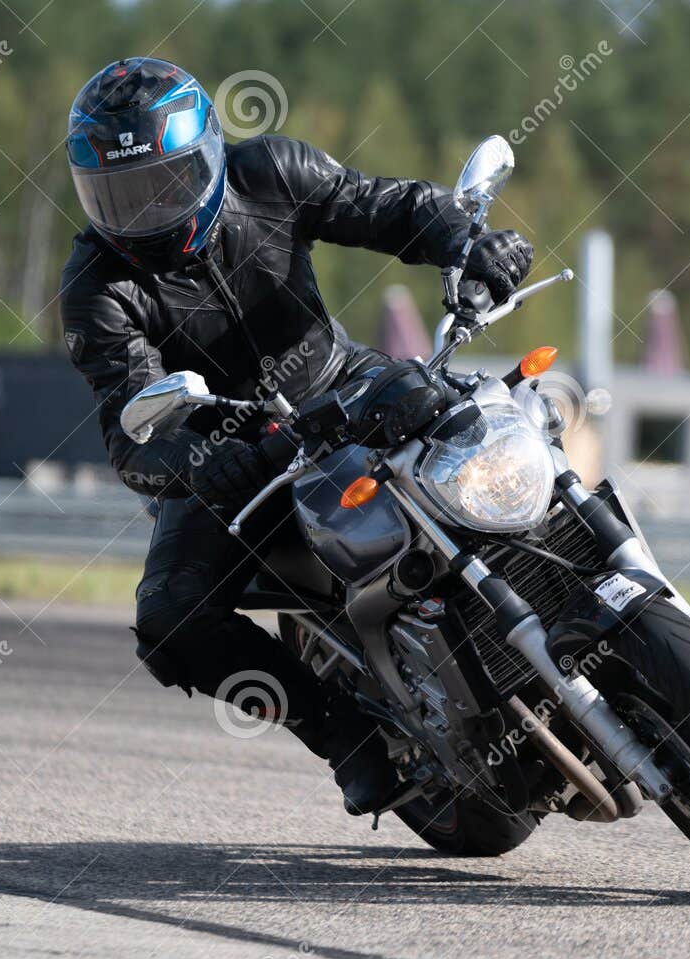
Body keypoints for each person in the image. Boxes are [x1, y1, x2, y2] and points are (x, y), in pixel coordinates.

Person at [59, 58, 532, 814]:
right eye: (122, 194)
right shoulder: (97, 287)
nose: (147, 210)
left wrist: (465, 242)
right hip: (238, 458)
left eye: (164, 182)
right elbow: (128, 425)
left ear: (210, 154)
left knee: (498, 421)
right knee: (169, 616)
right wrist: (194, 458)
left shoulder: (271, 170)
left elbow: (385, 206)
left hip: (342, 386)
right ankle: (342, 733)